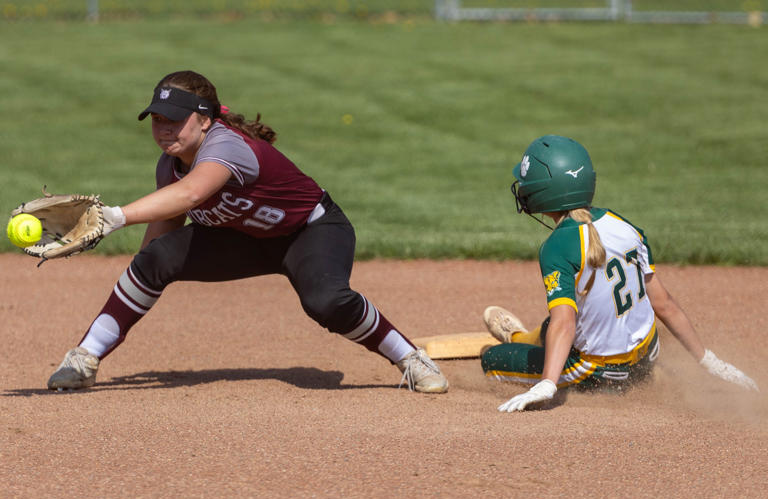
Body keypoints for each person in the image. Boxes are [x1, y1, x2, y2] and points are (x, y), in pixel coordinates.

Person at [47, 70, 448, 394]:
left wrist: (113, 217)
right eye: (157, 119)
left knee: (325, 301)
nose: (164, 128)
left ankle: (410, 358)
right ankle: (85, 359)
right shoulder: (169, 166)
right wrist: (145, 267)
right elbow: (159, 239)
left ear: (205, 120)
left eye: (175, 119)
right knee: (154, 259)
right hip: (246, 241)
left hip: (310, 231)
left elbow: (190, 194)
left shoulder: (227, 146)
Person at [480, 134, 758, 412]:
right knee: (548, 326)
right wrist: (709, 361)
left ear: (543, 191)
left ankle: (519, 342)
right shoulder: (623, 225)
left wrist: (547, 383)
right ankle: (524, 337)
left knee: (492, 358)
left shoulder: (556, 248)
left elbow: (565, 323)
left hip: (597, 371)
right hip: (648, 354)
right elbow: (664, 304)